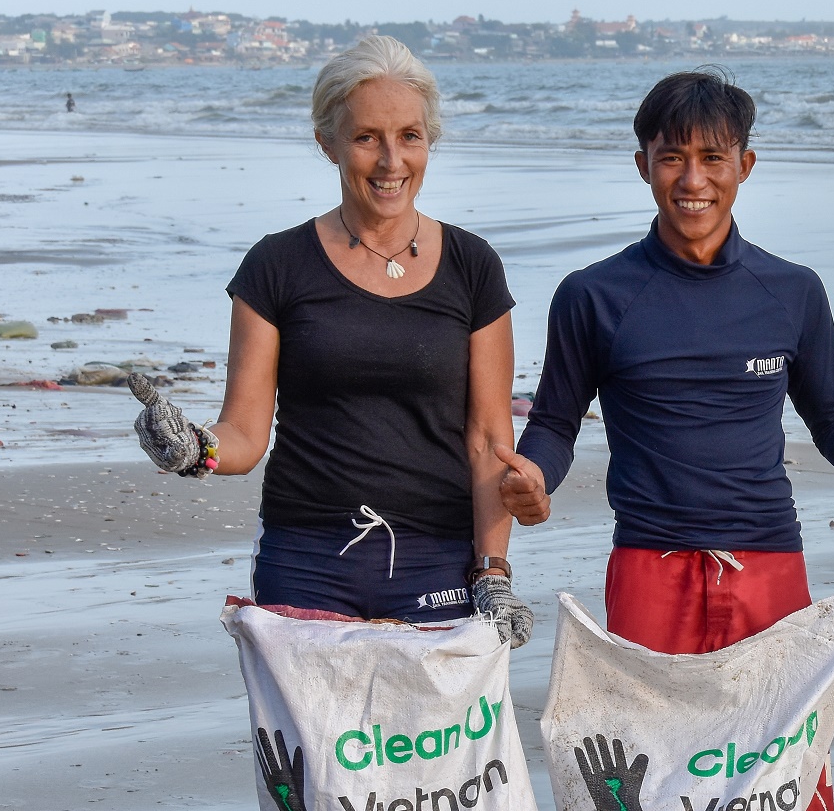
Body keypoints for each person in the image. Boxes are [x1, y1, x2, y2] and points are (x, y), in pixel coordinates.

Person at [496, 69, 834, 811]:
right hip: (650, 566)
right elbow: (555, 423)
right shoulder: (594, 295)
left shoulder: (791, 290)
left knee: (774, 795)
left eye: (714, 157)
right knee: (650, 799)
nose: (694, 179)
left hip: (770, 570)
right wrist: (533, 476)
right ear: (642, 163)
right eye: (672, 157)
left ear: (746, 164)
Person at [131, 35, 533, 645]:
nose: (391, 161)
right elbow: (242, 433)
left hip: (436, 558)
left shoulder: (474, 267)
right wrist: (194, 450)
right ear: (329, 144)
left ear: (430, 142)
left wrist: (493, 571)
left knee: (429, 743)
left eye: (410, 136)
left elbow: (488, 441)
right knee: (312, 742)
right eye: (367, 137)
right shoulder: (277, 266)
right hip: (305, 557)